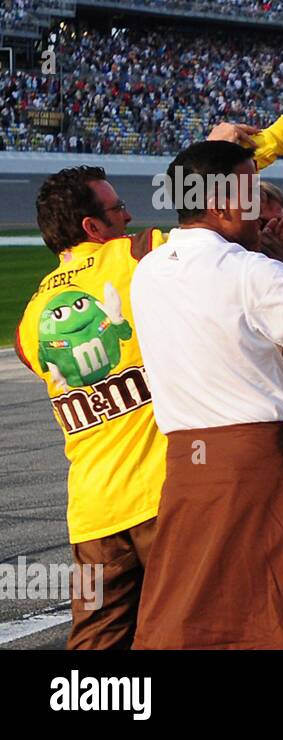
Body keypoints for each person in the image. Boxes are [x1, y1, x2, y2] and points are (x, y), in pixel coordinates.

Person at [129, 140, 283, 649]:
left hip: (187, 459)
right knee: (272, 599)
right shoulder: (250, 270)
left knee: (192, 597)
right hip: (252, 457)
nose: (259, 206)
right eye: (250, 192)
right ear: (220, 204)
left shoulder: (148, 270)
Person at [15, 167, 163, 649]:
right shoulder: (134, 254)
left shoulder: (32, 318)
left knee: (95, 642)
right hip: (160, 498)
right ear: (92, 228)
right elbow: (216, 233)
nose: (128, 214)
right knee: (189, 628)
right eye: (118, 208)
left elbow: (27, 356)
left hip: (93, 510)